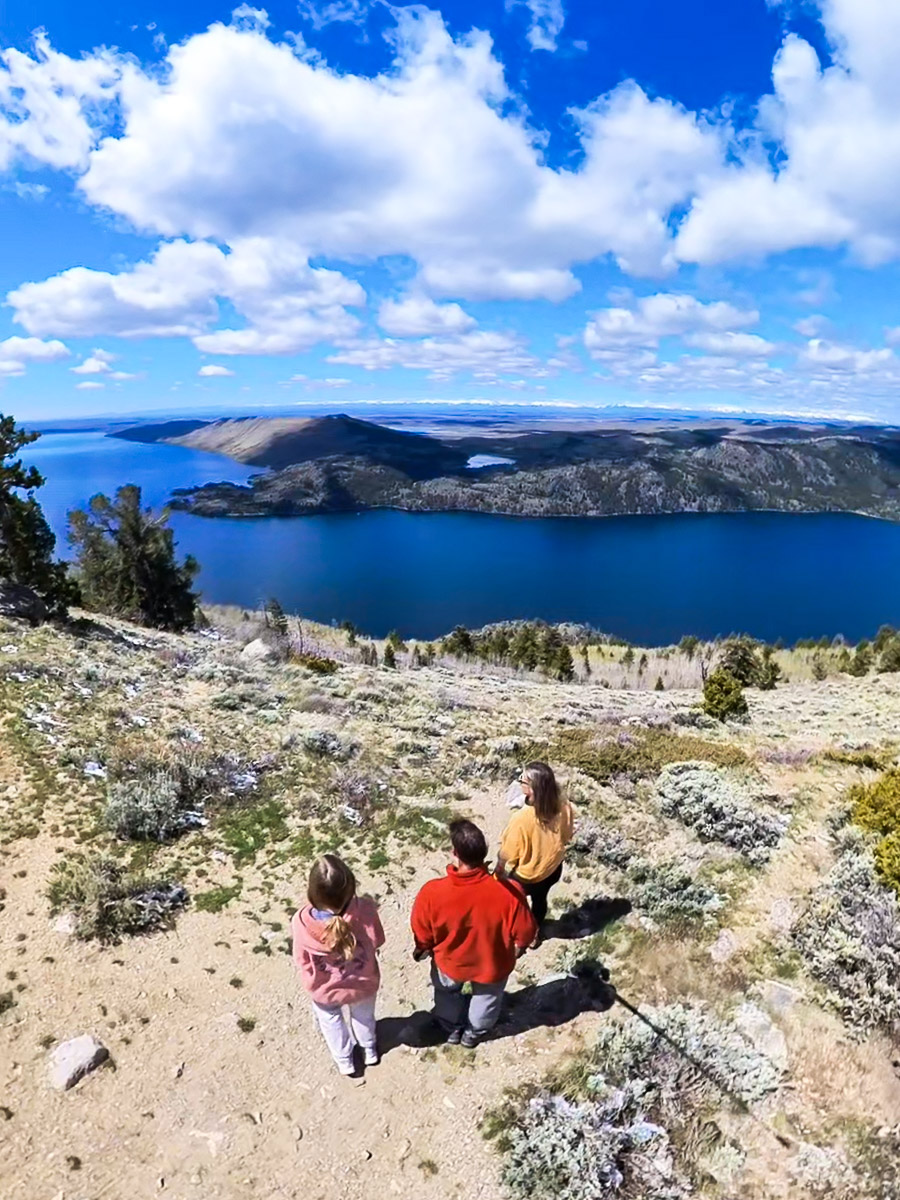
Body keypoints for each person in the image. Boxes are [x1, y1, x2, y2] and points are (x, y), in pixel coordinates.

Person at [410, 818, 537, 1048]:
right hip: (493, 964)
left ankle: (450, 1028)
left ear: (455, 854)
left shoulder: (432, 892)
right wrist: (519, 947)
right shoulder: (510, 893)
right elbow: (527, 932)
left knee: (447, 993)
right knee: (486, 999)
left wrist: (423, 946)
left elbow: (422, 931)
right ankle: (473, 1034)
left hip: (450, 962)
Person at [291, 854, 385, 1076]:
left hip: (324, 989)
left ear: (312, 893)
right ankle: (369, 1049)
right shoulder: (366, 910)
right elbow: (378, 940)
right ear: (351, 887)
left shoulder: (302, 922)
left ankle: (345, 1061)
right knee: (363, 1016)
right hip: (363, 982)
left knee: (330, 1020)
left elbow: (300, 959)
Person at [496, 761, 575, 946]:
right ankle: (535, 934)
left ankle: (517, 935)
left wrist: (499, 870)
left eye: (522, 780)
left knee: (515, 906)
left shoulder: (522, 819)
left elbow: (508, 853)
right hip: (552, 869)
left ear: (530, 789)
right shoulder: (564, 806)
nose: (520, 783)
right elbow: (567, 835)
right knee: (540, 901)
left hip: (527, 877)